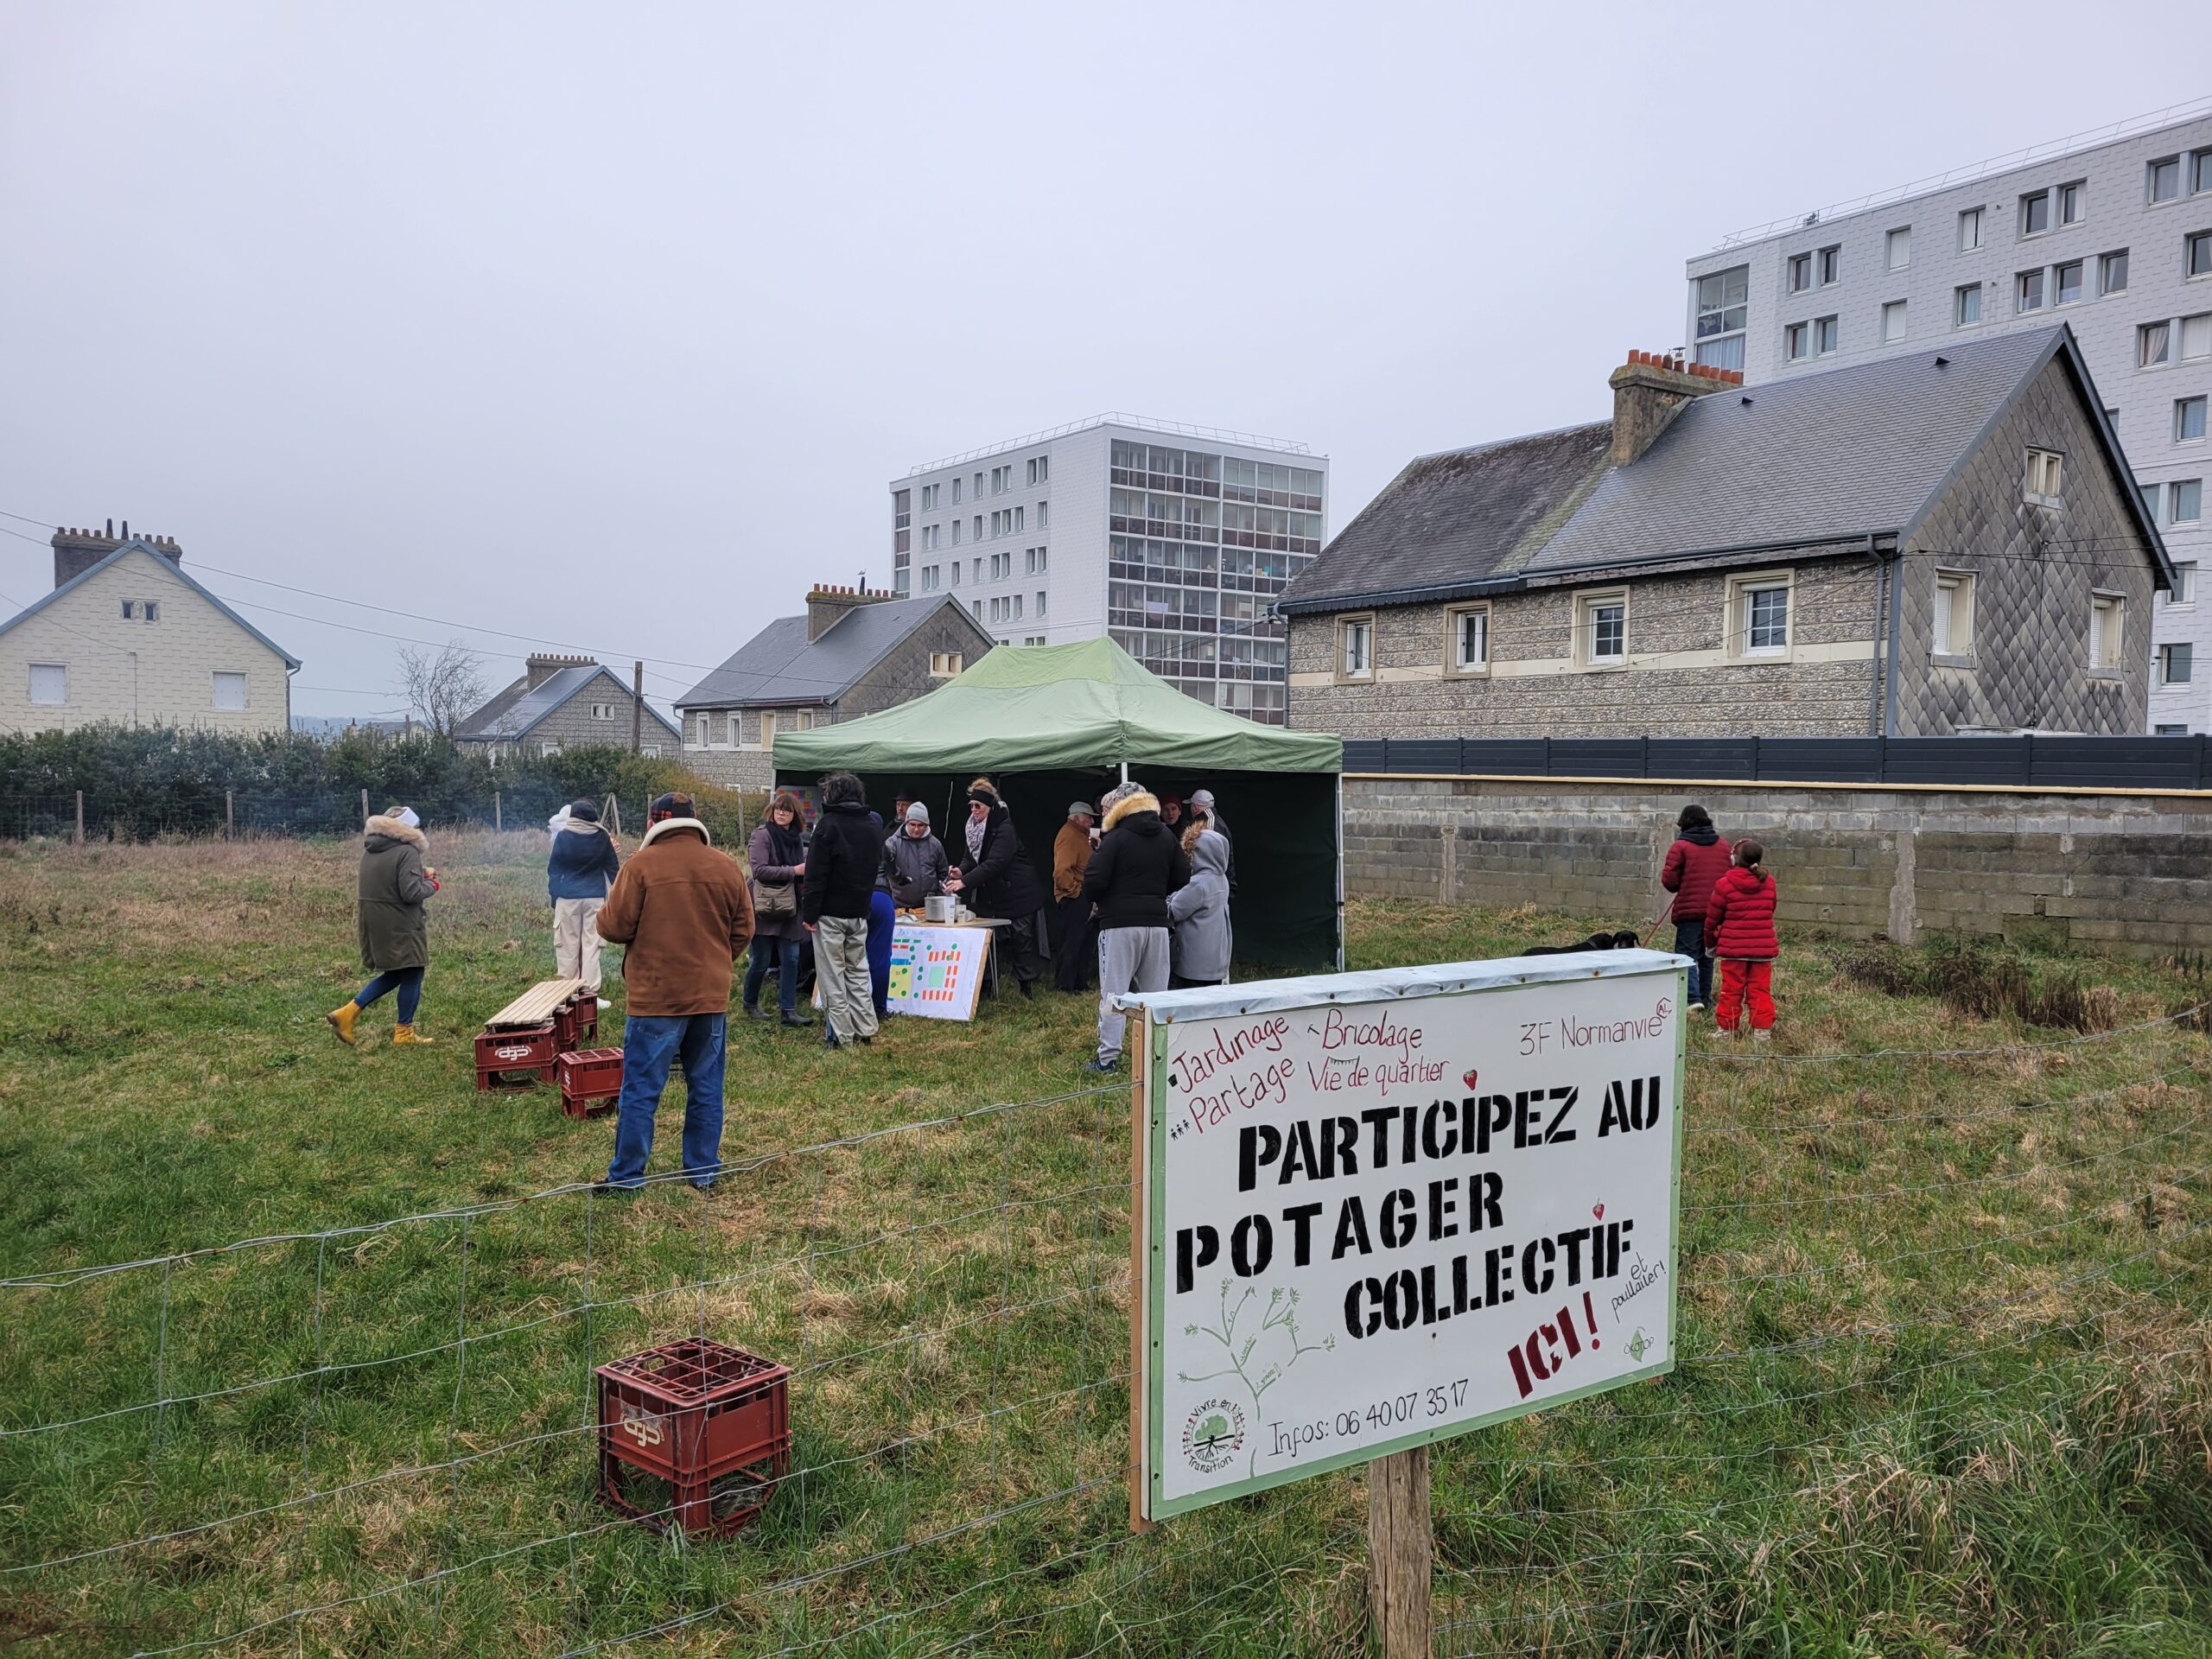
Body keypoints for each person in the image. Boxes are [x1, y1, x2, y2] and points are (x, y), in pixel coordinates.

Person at [596, 792, 754, 1190]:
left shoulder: (640, 867)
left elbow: (613, 928)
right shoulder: (726, 866)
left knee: (641, 1089)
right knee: (706, 1086)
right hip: (710, 996)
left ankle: (627, 1177)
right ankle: (702, 1171)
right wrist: (717, 963)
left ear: (653, 823)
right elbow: (744, 931)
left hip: (655, 998)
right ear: (695, 820)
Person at [1082, 785, 1190, 1071]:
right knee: (1157, 997)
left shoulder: (1116, 838)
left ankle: (1108, 1059)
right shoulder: (1166, 836)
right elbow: (1182, 875)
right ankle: (1159, 1058)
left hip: (1118, 924)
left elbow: (1093, 883)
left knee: (1114, 994)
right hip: (1156, 923)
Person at [328, 804, 440, 1047]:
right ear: (408, 828)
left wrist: (418, 874)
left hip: (375, 921)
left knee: (396, 973)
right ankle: (404, 1033)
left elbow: (388, 878)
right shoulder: (407, 851)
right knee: (413, 972)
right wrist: (433, 885)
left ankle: (347, 1013)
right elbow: (411, 893)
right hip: (400, 922)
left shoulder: (372, 849)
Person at [800, 771, 882, 1048]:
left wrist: (809, 914)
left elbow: (816, 875)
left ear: (833, 795)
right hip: (859, 911)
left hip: (829, 914)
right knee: (859, 972)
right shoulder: (872, 826)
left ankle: (840, 1036)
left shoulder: (828, 826)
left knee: (832, 976)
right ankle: (866, 1029)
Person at [947, 779, 1049, 997]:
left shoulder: (1005, 829)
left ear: (990, 807)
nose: (974, 811)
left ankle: (1026, 987)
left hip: (1019, 893)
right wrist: (961, 871)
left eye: (978, 807)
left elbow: (995, 863)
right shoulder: (973, 828)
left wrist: (964, 882)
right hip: (992, 895)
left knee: (1022, 940)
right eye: (971, 806)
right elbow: (970, 858)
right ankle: (986, 987)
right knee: (987, 939)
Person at [742, 792, 810, 1027]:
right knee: (760, 960)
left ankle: (788, 1011)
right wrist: (794, 871)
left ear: (794, 816)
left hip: (790, 905)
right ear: (771, 811)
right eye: (778, 809)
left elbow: (803, 872)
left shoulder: (796, 839)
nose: (781, 813)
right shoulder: (761, 836)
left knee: (791, 958)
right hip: (764, 905)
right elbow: (759, 871)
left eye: (787, 810)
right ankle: (750, 1003)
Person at [1705, 837, 1779, 1041]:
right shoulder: (1769, 882)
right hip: (1762, 950)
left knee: (1730, 990)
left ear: (1734, 858)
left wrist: (1710, 943)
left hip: (1733, 950)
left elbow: (1712, 918)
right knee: (1761, 990)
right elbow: (1770, 909)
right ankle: (1762, 1033)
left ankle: (1727, 1031)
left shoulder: (1724, 884)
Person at [1660, 804, 1732, 1012]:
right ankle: (1706, 999)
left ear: (1684, 822)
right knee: (1708, 955)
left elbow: (1670, 881)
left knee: (1686, 955)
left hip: (1690, 912)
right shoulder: (1724, 846)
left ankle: (1692, 1000)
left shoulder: (1680, 846)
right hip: (1717, 911)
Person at [548, 798, 621, 1002]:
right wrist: (617, 897)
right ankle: (589, 997)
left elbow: (554, 870)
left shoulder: (564, 836)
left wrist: (555, 897)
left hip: (568, 898)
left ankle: (566, 994)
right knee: (591, 946)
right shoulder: (602, 836)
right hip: (595, 898)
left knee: (567, 946)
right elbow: (613, 869)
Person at [1167, 820, 1232, 988]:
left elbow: (1174, 910)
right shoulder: (1221, 879)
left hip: (1193, 964)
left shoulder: (1198, 884)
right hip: (1215, 962)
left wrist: (1167, 898)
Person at [1052, 801, 1098, 993]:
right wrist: (1075, 892)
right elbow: (1061, 872)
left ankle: (1078, 982)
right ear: (1077, 818)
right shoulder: (1070, 836)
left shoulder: (1079, 835)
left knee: (1082, 942)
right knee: (1073, 942)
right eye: (1088, 817)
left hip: (1079, 896)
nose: (1092, 820)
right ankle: (1065, 985)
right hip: (1073, 898)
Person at [883, 802, 950, 906]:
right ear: (906, 823)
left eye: (921, 825)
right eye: (913, 825)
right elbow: (884, 869)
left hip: (929, 907)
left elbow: (944, 874)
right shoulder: (893, 843)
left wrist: (940, 902)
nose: (916, 829)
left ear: (927, 825)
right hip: (899, 906)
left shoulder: (935, 844)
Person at [866, 807, 897, 1020]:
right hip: (882, 899)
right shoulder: (885, 846)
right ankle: (879, 1008)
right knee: (881, 957)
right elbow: (896, 873)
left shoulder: (848, 843)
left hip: (856, 899)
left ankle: (852, 1007)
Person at [1190, 787, 1236, 892]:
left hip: (1213, 887)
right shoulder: (1213, 821)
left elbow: (1211, 859)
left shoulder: (1210, 824)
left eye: (1191, 805)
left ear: (1195, 808)